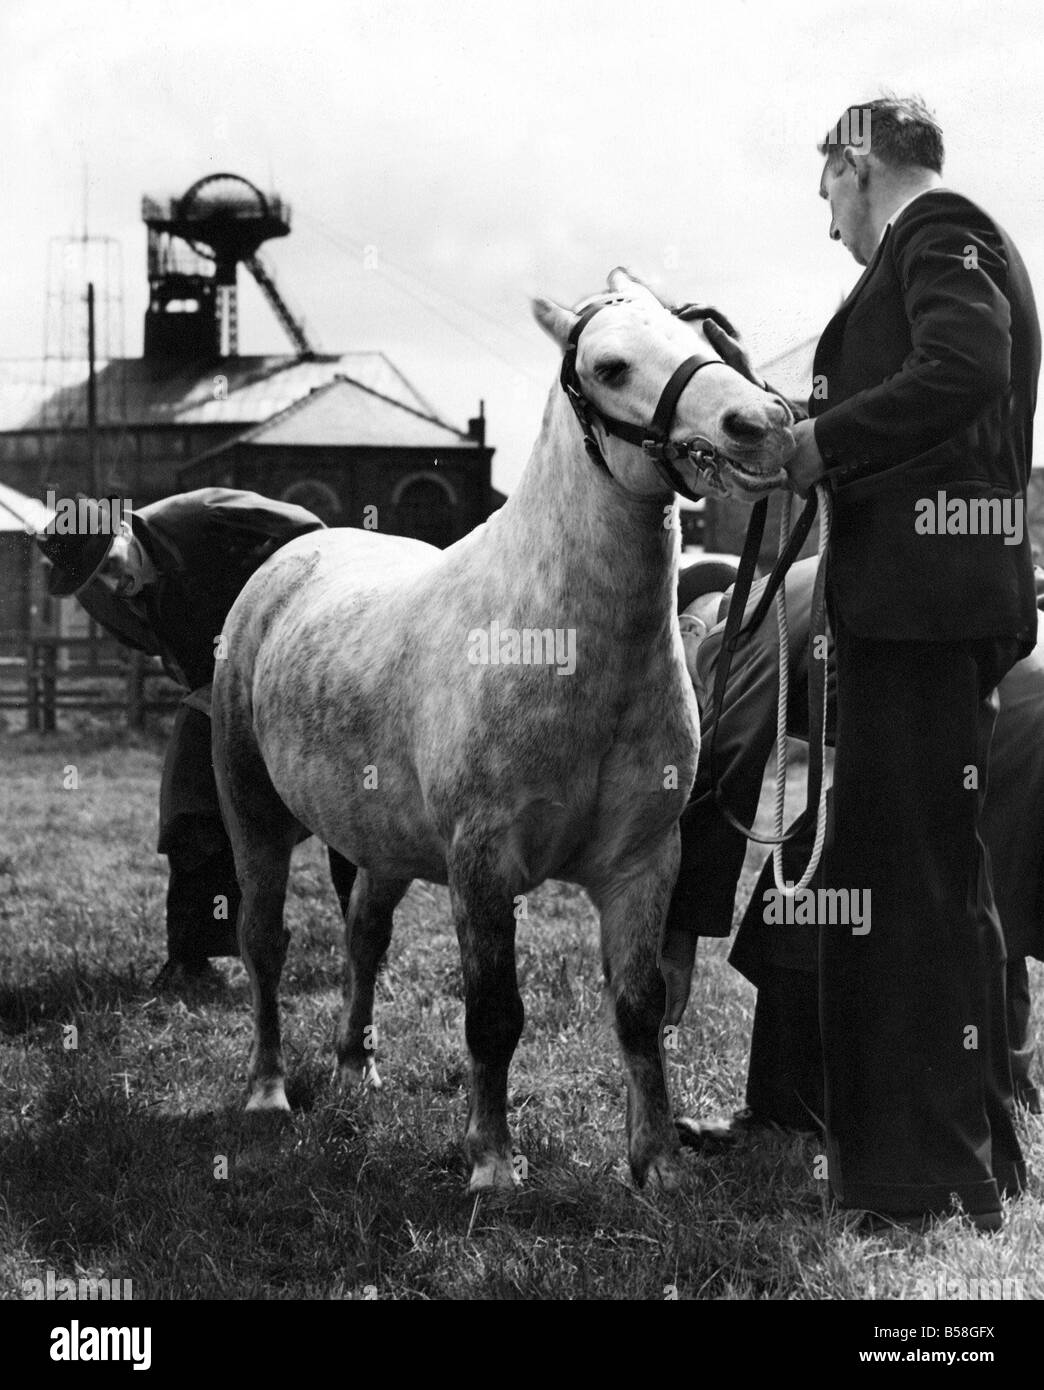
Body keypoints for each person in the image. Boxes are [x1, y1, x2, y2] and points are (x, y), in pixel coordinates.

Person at [672, 96, 1040, 1231]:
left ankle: (921, 1180)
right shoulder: (948, 246)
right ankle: (971, 1160)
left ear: (857, 160)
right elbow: (931, 394)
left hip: (922, 618)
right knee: (930, 881)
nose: (826, 217)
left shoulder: (942, 234)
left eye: (826, 187)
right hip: (922, 612)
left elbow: (964, 365)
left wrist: (821, 446)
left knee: (905, 894)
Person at [668, 557, 1043, 1159]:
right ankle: (1005, 1093)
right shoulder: (824, 573)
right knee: (986, 897)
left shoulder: (732, 630)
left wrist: (678, 934)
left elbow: (719, 768)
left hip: (988, 723)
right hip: (1015, 704)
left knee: (798, 886)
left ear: (690, 628)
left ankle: (781, 1118)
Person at [36, 487, 326, 994]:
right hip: (216, 686)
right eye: (95, 577)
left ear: (123, 526)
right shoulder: (97, 591)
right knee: (188, 803)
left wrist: (287, 626)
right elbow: (148, 639)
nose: (111, 583)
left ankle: (364, 954)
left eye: (109, 563)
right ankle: (192, 958)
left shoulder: (206, 516)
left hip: (290, 671)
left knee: (338, 800)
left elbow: (311, 531)